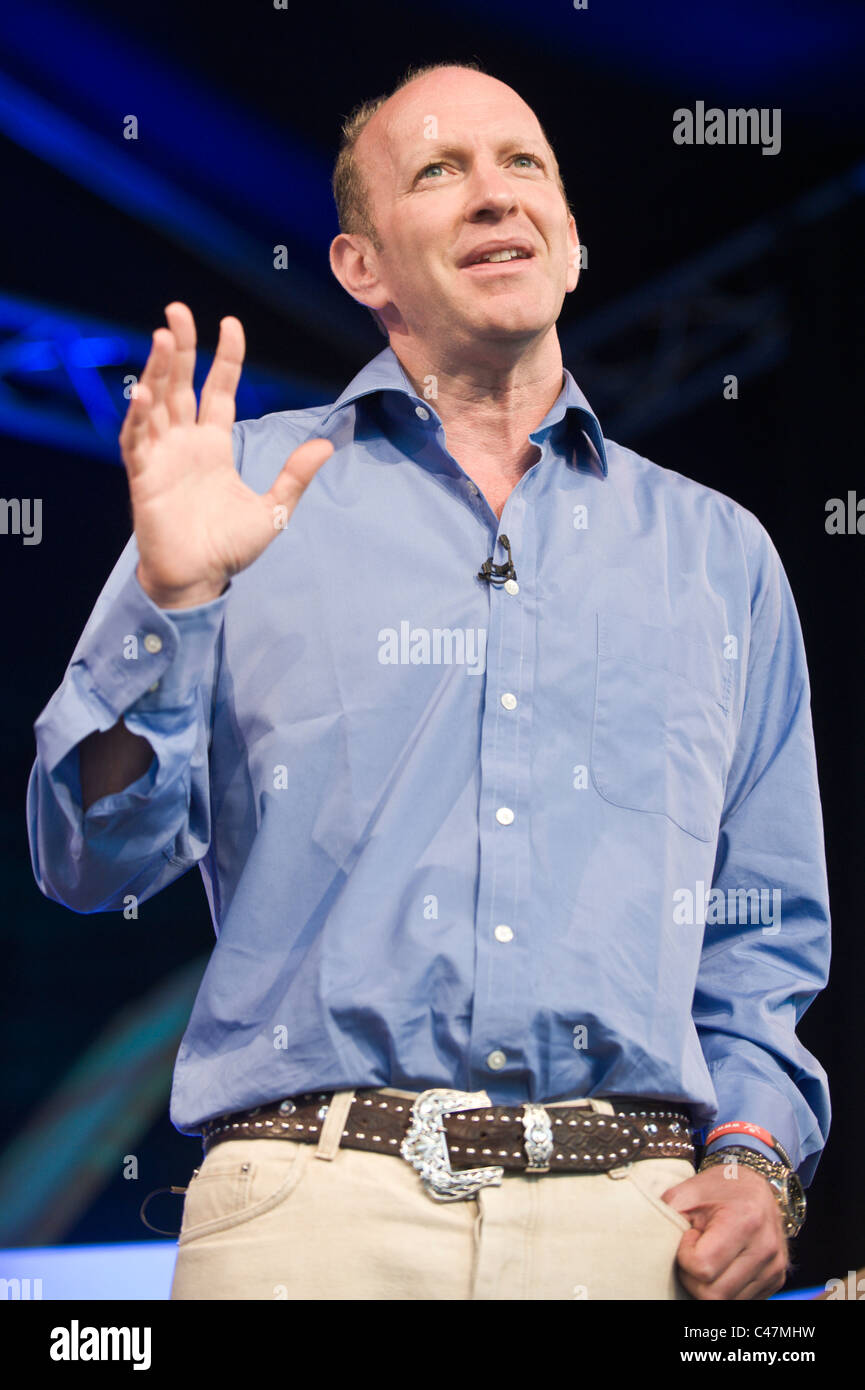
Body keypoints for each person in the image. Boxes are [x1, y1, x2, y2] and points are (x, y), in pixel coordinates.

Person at [26, 61, 830, 1301]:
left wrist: (754, 1153)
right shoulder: (233, 493)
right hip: (313, 1212)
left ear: (570, 243)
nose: (493, 197)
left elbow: (765, 927)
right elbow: (93, 863)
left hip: (630, 1224)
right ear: (361, 267)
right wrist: (170, 606)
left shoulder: (720, 556)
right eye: (440, 173)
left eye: (524, 169)